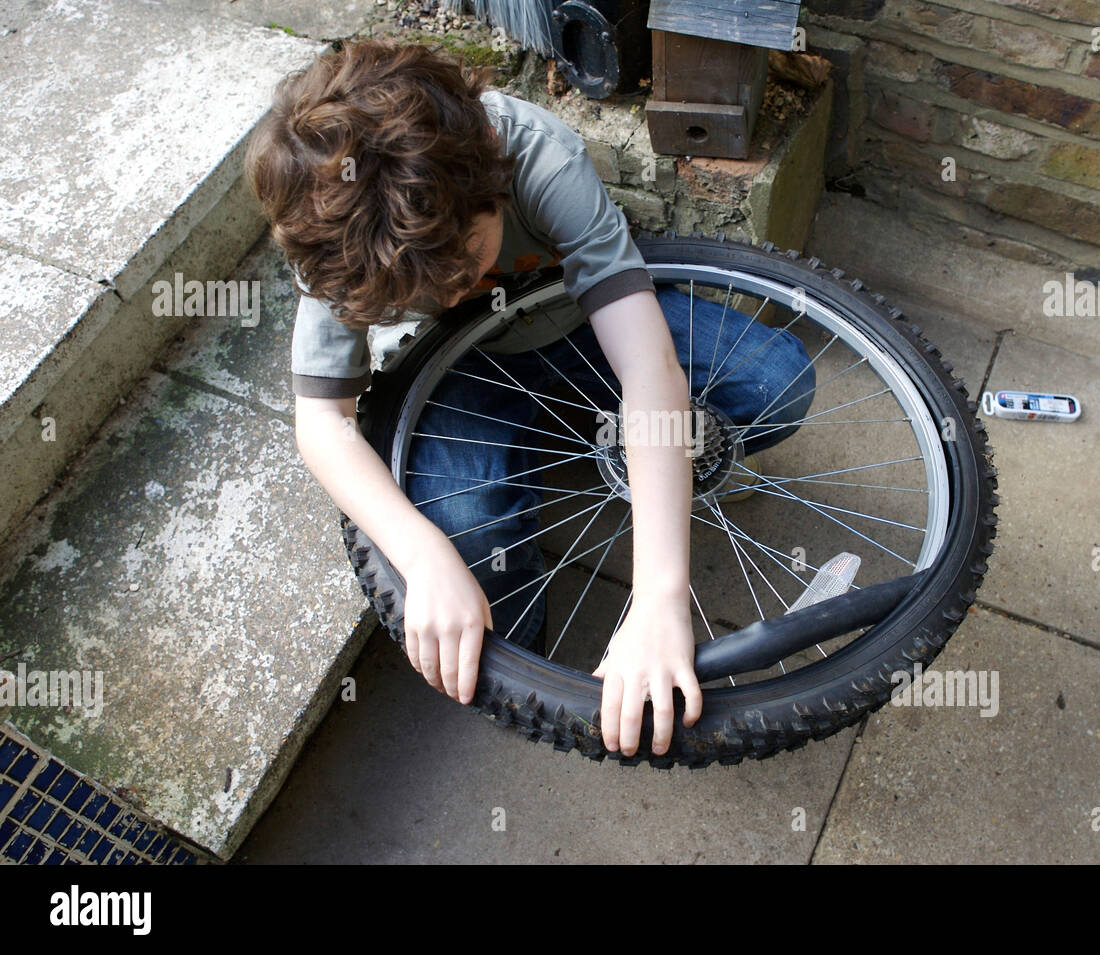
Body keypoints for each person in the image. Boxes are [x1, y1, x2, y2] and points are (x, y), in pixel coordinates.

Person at [245, 38, 814, 757]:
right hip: (466, 371)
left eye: (463, 265)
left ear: (487, 169)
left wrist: (660, 598)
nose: (451, 295)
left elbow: (648, 369)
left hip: (585, 324)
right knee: (469, 536)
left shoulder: (535, 154)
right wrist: (422, 560)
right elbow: (321, 422)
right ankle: (521, 664)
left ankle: (622, 448)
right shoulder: (337, 231)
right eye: (418, 296)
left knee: (778, 382)